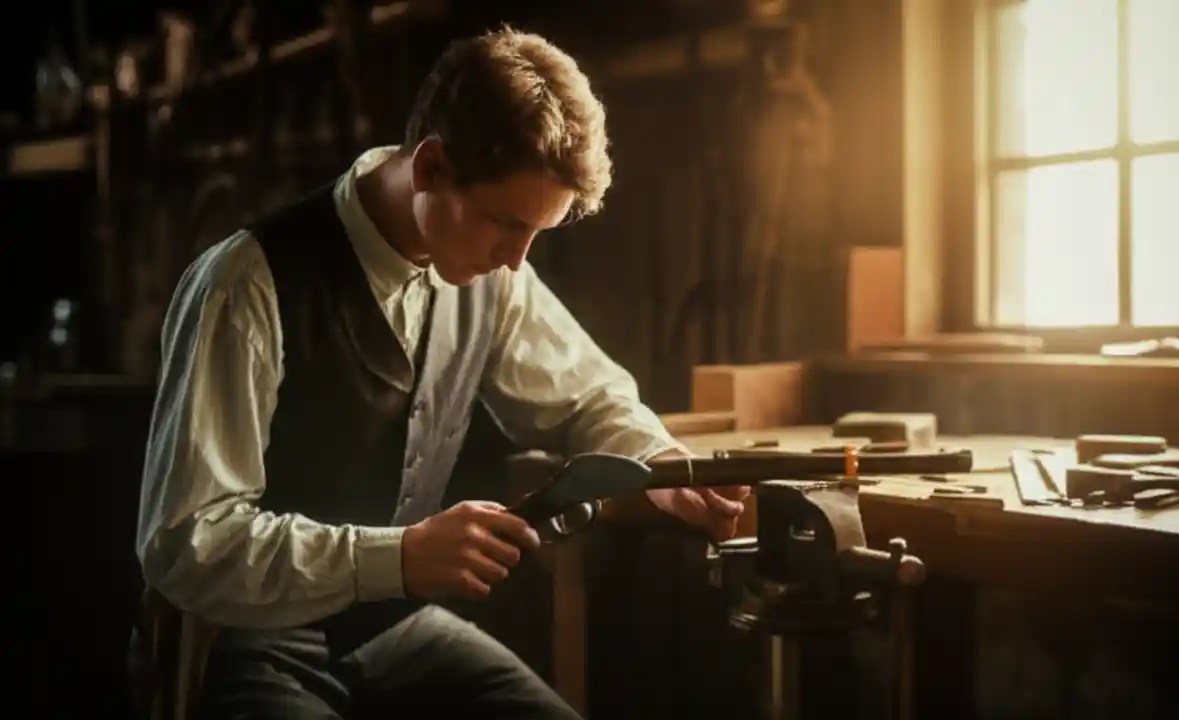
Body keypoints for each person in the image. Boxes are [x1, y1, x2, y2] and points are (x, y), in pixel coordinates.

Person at [131, 24, 749, 720]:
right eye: (506, 224)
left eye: (537, 234)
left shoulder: (490, 272)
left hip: (390, 628)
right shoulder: (244, 285)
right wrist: (399, 559)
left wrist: (658, 465)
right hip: (249, 642)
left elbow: (590, 395)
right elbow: (187, 544)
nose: (518, 259)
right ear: (429, 169)